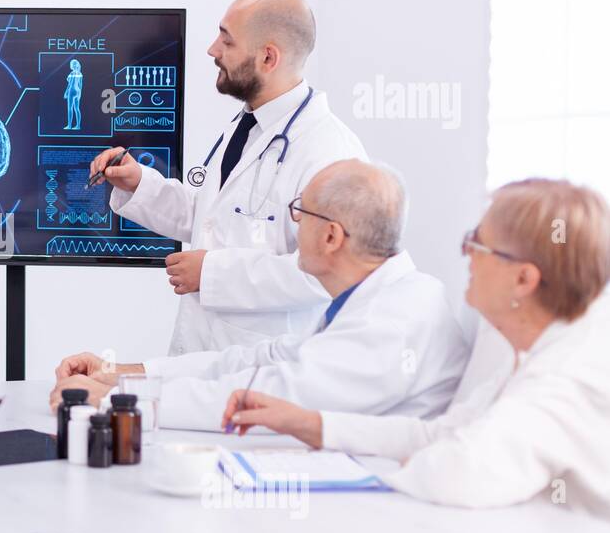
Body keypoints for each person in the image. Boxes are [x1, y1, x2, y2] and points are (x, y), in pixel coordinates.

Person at [223, 178, 610, 533]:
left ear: (524, 280)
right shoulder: (534, 350)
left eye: (477, 243)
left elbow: (461, 469)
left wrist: (362, 490)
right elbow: (441, 434)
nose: (466, 253)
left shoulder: (570, 378)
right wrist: (311, 423)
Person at [52, 160, 469, 430]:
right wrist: (123, 372)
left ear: (330, 236)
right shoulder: (377, 297)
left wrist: (118, 397)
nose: (292, 223)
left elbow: (267, 396)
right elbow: (258, 359)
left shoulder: (393, 323)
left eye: (300, 212)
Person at [90, 0, 366, 356]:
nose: (212, 50)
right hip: (205, 358)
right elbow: (215, 220)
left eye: (227, 40)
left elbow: (328, 273)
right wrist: (140, 184)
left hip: (267, 371)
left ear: (268, 57)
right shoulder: (249, 124)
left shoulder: (329, 152)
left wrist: (214, 273)